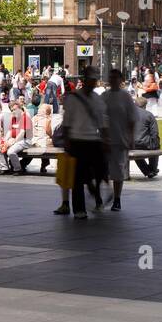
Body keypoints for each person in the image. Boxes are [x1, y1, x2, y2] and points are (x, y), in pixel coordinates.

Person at [62, 70, 108, 219]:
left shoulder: (97, 98)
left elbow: (102, 122)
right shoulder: (73, 98)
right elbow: (67, 122)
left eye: (95, 80)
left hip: (93, 140)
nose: (93, 83)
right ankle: (79, 209)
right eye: (90, 79)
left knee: (97, 173)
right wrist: (67, 142)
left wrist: (105, 139)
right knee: (77, 177)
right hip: (77, 140)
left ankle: (96, 195)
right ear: (85, 80)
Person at [101, 70, 136, 211]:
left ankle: (117, 199)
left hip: (120, 139)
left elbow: (131, 119)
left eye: (116, 77)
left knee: (118, 171)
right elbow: (99, 117)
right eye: (111, 77)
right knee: (102, 170)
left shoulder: (126, 97)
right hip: (105, 140)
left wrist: (131, 137)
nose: (113, 80)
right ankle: (107, 193)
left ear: (121, 79)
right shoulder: (104, 96)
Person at [132, 95, 161, 177]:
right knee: (155, 147)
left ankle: (147, 171)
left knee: (134, 152)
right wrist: (156, 144)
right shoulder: (149, 115)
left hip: (131, 144)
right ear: (145, 106)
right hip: (145, 143)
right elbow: (154, 132)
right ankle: (152, 169)